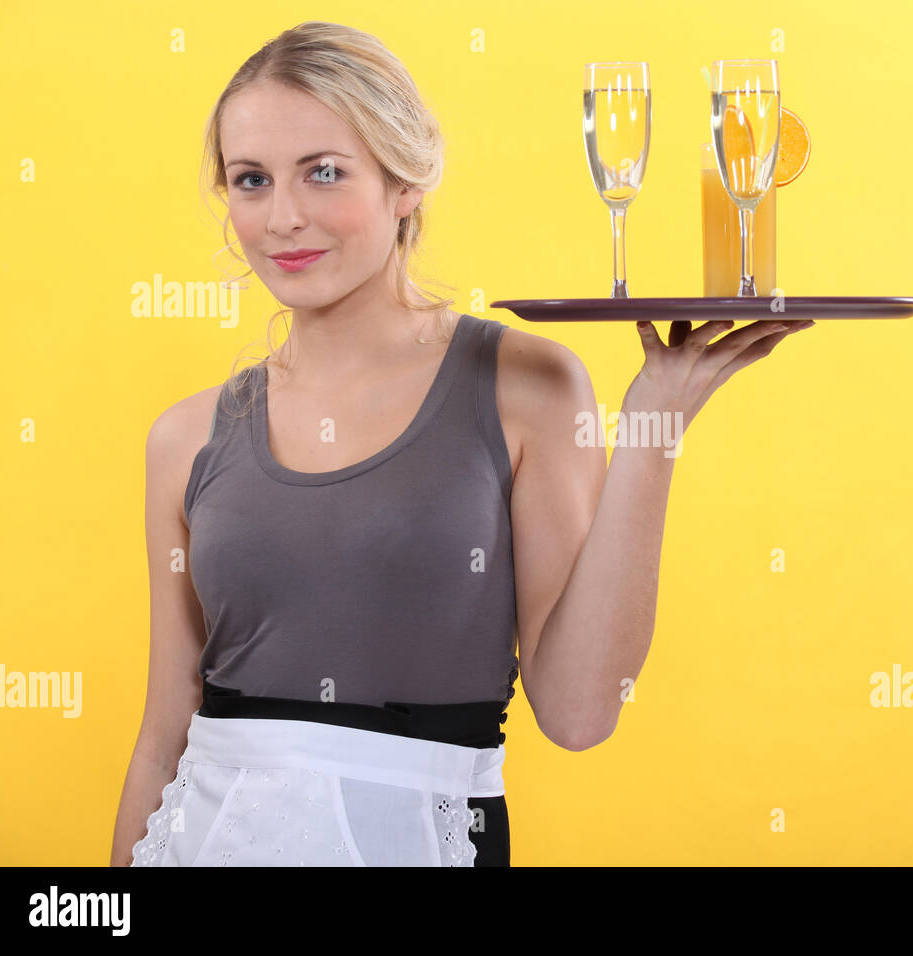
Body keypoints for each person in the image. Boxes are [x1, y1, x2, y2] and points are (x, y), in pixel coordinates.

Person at [110, 20, 814, 867]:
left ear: (405, 182)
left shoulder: (529, 387)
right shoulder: (184, 439)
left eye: (323, 172)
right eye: (250, 180)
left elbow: (579, 712)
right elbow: (162, 735)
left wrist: (655, 429)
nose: (283, 217)